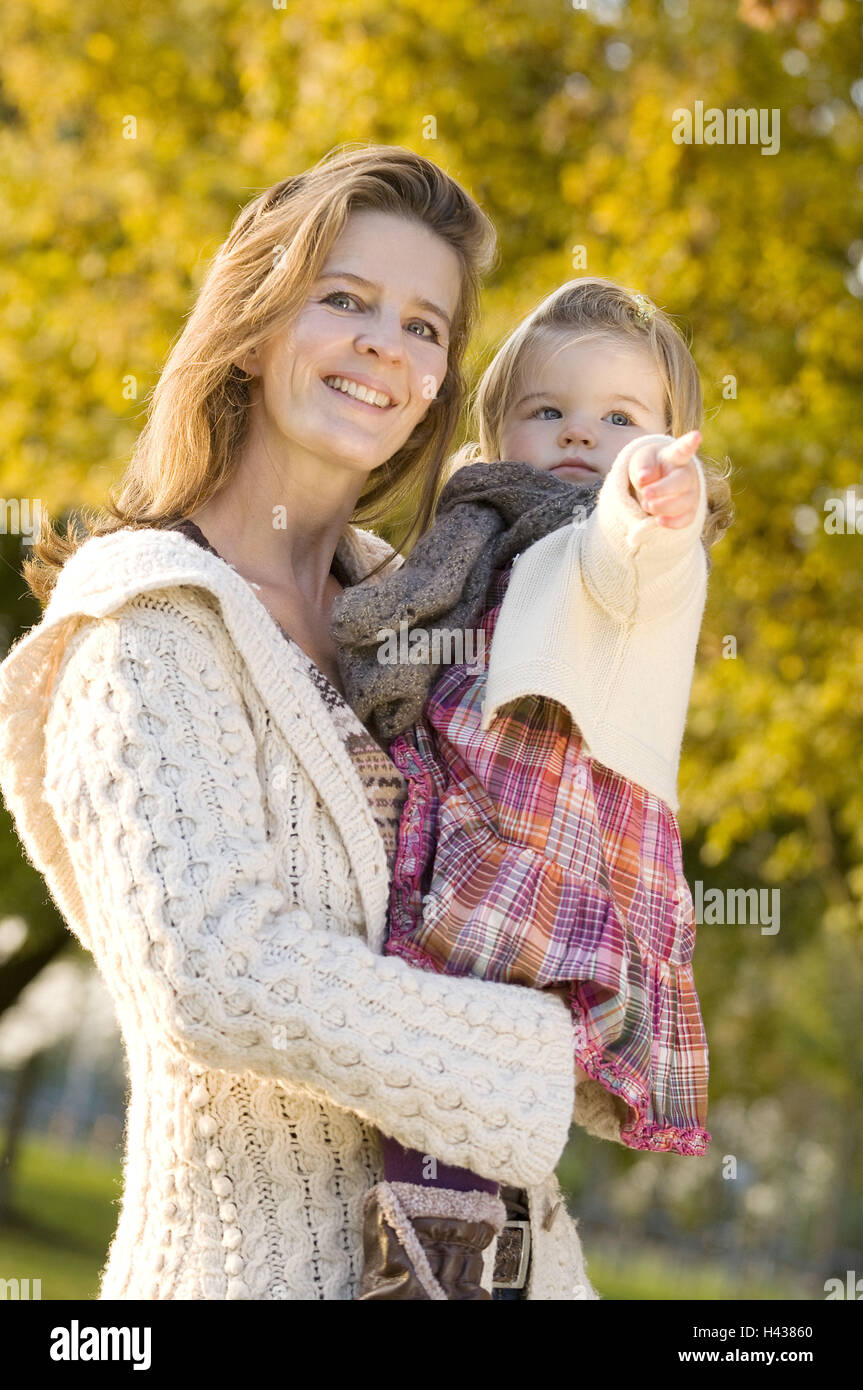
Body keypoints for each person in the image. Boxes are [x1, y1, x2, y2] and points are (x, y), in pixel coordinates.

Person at [0, 146, 597, 1300]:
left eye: (425, 326)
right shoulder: (148, 622)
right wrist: (525, 1060)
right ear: (254, 321)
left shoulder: (432, 621)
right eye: (345, 300)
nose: (386, 344)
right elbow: (214, 967)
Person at [330, 276, 735, 1299]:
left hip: (543, 848)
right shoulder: (481, 525)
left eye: (620, 418)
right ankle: (453, 1253)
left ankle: (432, 1273)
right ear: (497, 425)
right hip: (468, 819)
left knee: (459, 1064)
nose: (579, 435)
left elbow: (624, 551)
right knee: (444, 1076)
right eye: (546, 410)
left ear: (665, 440)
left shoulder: (627, 543)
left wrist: (654, 491)